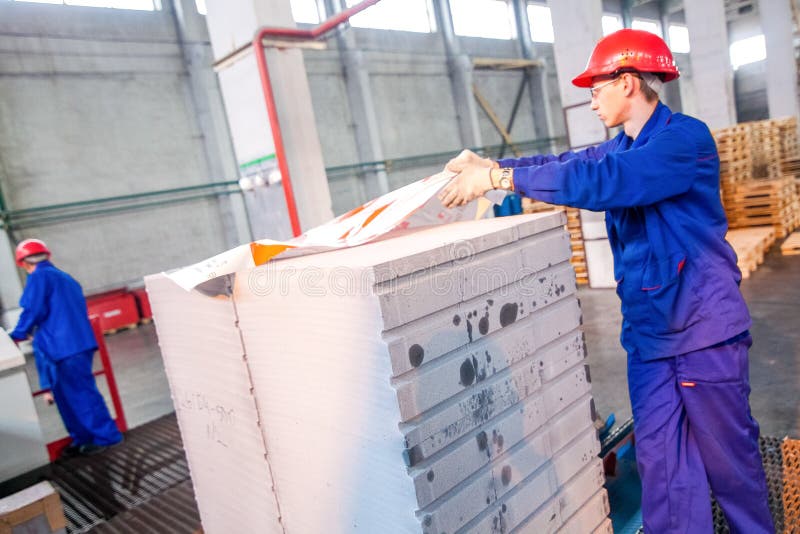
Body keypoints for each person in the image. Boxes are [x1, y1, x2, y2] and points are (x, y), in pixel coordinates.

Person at [439, 28, 773, 534]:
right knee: (664, 476)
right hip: (649, 339)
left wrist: (499, 182)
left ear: (628, 81)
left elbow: (610, 181)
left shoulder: (684, 140)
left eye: (596, 88)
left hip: (705, 333)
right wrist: (495, 165)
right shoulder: (620, 147)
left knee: (731, 470)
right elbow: (570, 164)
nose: (591, 100)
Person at [10, 238, 123, 456]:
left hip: (63, 348)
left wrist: (16, 334)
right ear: (47, 255)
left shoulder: (39, 278)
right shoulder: (66, 278)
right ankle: (82, 439)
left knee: (80, 394)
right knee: (66, 396)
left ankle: (107, 436)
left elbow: (32, 310)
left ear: (23, 263)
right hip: (74, 345)